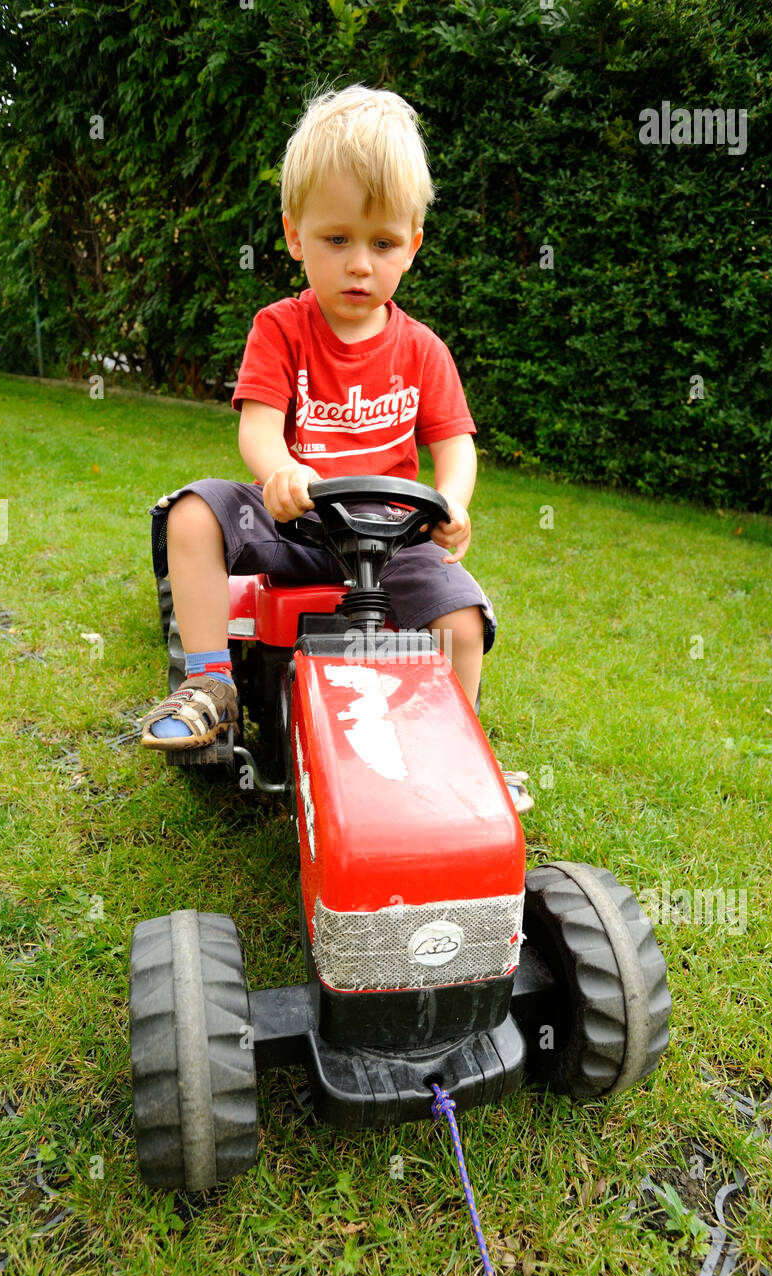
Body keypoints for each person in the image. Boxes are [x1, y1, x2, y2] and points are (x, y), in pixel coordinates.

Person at [140, 85, 531, 812]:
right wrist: (280, 468)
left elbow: (455, 443)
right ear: (294, 236)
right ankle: (211, 684)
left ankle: (457, 751)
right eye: (337, 239)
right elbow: (258, 424)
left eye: (382, 244)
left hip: (397, 544)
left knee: (463, 619)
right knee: (193, 512)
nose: (360, 264)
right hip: (295, 523)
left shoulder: (423, 350)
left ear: (412, 246)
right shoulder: (280, 329)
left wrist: (455, 503)